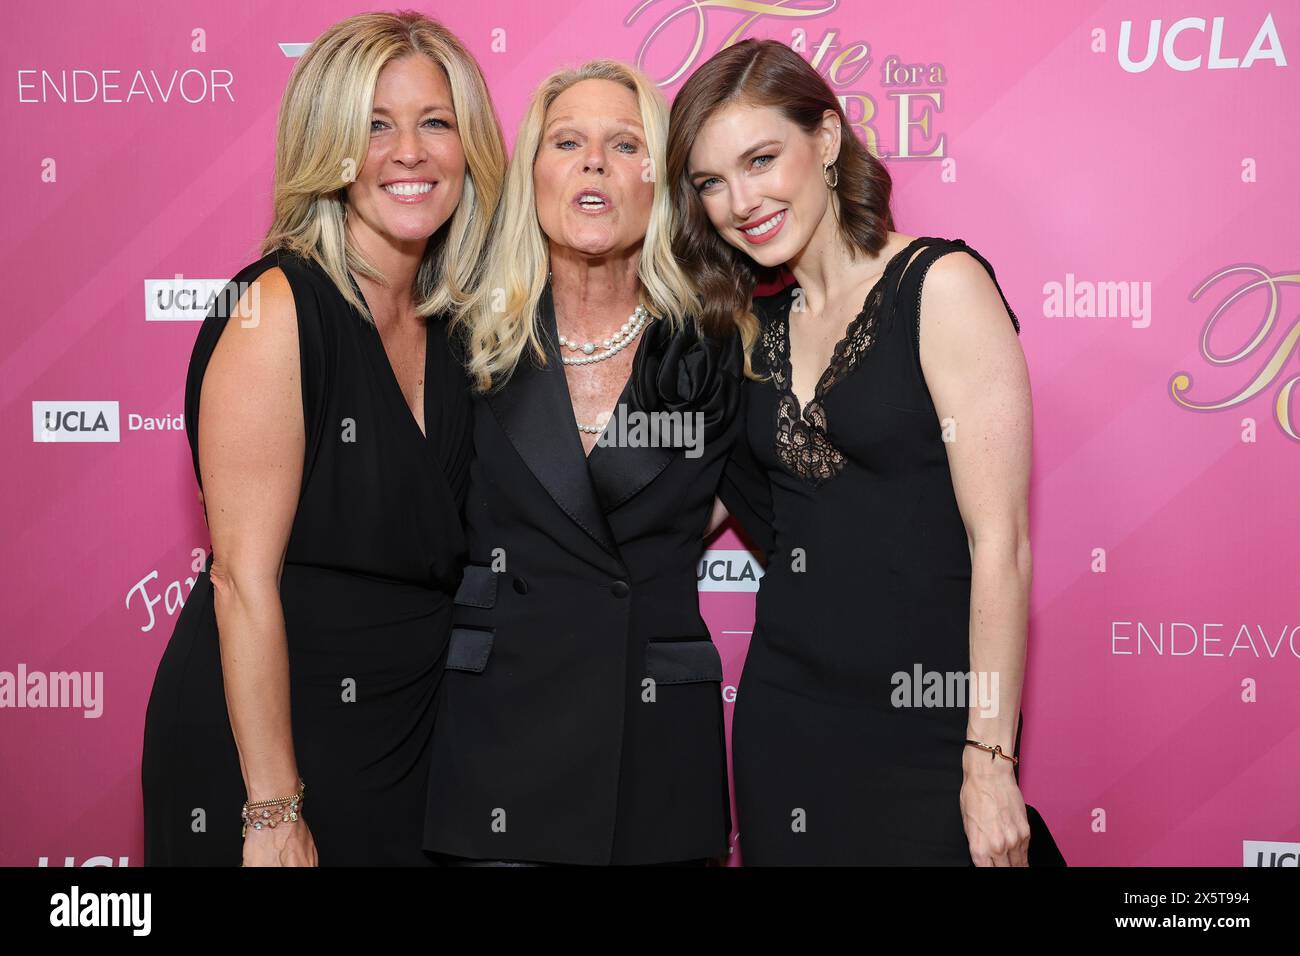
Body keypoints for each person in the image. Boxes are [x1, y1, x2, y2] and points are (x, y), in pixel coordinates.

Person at [141, 11, 506, 866]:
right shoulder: (277, 308)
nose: (409, 152)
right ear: (327, 146)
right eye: (374, 125)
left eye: (435, 122)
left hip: (407, 741)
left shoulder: (460, 327)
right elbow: (242, 580)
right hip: (270, 749)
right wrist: (273, 809)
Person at [668, 39, 1041, 865]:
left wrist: (989, 759)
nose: (741, 201)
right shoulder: (748, 332)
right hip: (785, 725)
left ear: (828, 138)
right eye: (711, 182)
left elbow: (1001, 544)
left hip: (933, 731)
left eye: (761, 159)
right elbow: (675, 510)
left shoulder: (939, 287)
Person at [423, 60, 763, 866]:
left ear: (661, 182)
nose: (595, 163)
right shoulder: (463, 337)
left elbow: (788, 506)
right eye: (567, 142)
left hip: (653, 752)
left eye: (625, 144)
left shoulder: (719, 346)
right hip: (499, 749)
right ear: (532, 174)